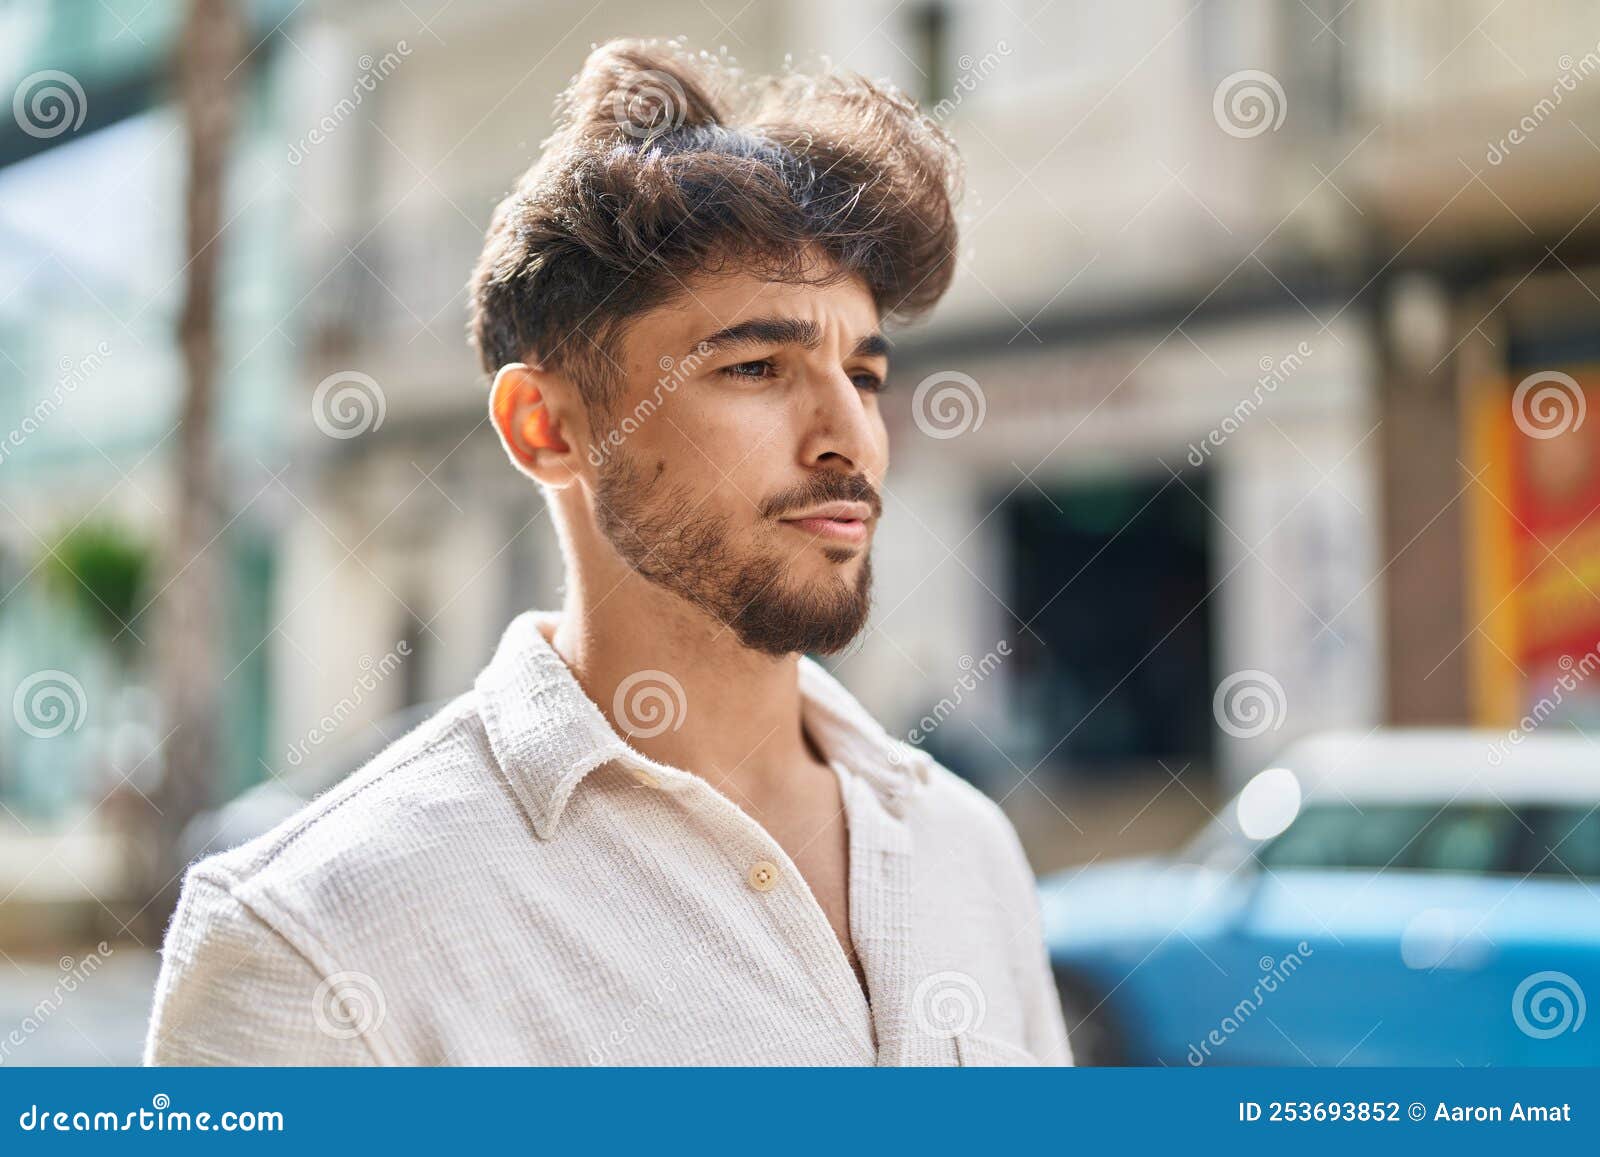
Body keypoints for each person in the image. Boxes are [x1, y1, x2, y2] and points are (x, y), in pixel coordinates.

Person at [144, 38, 1072, 1067]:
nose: (847, 435)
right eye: (758, 366)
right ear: (545, 426)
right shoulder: (312, 938)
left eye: (862, 372)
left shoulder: (967, 848)